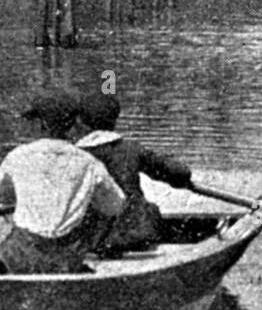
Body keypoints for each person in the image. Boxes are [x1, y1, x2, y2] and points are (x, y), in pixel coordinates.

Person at [0, 90, 125, 274]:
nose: (29, 126)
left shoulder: (17, 157)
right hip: (65, 257)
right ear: (72, 126)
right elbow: (115, 205)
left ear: (41, 124)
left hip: (22, 253)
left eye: (32, 121)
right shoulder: (89, 163)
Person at [76, 93, 193, 255]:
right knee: (149, 211)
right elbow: (180, 173)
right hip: (135, 233)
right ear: (116, 119)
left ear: (81, 121)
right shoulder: (131, 150)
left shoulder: (73, 155)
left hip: (89, 239)